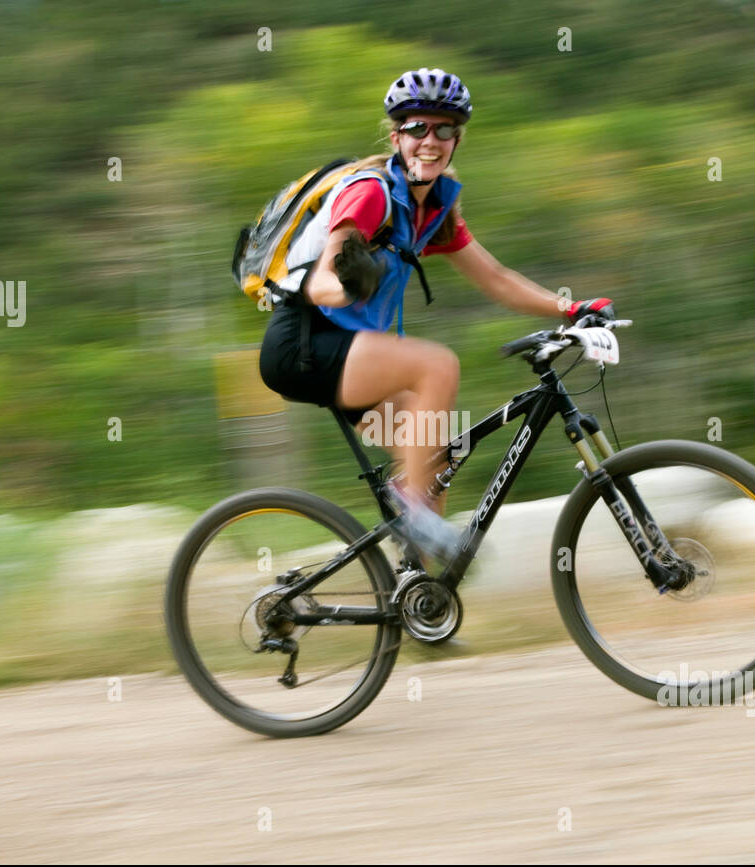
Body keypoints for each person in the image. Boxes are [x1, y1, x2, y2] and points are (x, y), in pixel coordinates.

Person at [259, 67, 616, 561]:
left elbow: (495, 278)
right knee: (437, 364)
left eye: (444, 129)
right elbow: (320, 280)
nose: (430, 140)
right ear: (396, 136)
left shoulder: (435, 210)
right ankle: (414, 512)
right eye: (417, 129)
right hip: (304, 347)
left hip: (351, 361)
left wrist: (572, 307)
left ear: (457, 139)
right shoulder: (371, 195)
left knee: (436, 453)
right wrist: (342, 286)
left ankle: (419, 593)